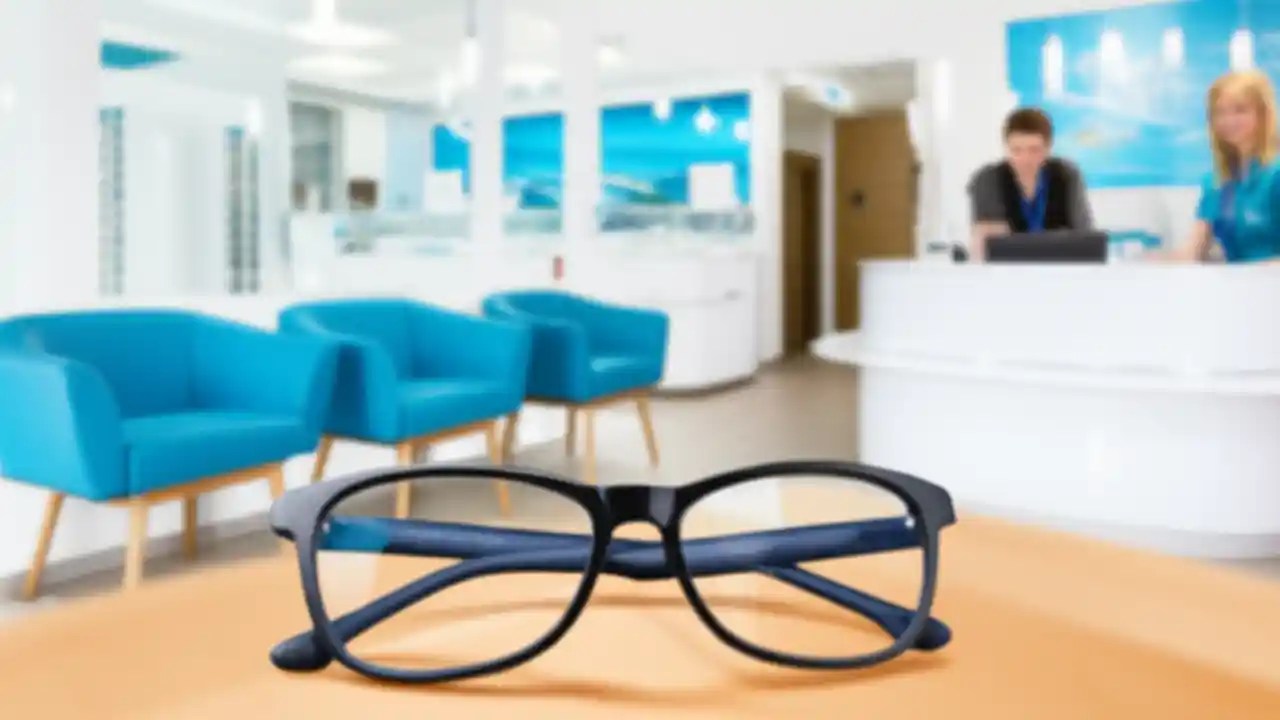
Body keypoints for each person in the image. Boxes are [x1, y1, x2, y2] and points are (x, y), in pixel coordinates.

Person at [1159, 69, 1280, 264]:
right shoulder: (1216, 180)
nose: (1228, 120)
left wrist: (1250, 274)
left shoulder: (1275, 175)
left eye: (1240, 110)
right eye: (1220, 112)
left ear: (1264, 114)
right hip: (1236, 287)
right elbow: (1194, 249)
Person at [966, 107, 1094, 259]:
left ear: (1048, 148)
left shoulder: (1066, 175)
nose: (1025, 159)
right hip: (1007, 271)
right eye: (1016, 150)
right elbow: (988, 243)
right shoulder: (988, 179)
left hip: (1060, 268)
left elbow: (1084, 235)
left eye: (1034, 150)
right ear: (1006, 148)